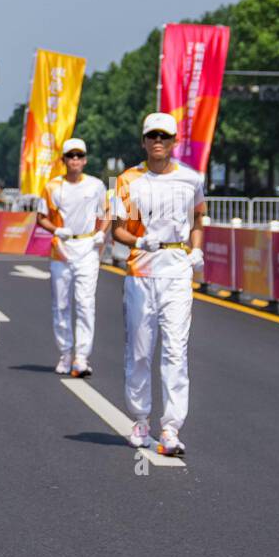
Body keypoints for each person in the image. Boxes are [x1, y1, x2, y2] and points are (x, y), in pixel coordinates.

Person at [111, 112, 205, 456]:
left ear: (174, 141)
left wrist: (196, 249)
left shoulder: (192, 179)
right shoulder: (125, 180)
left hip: (178, 273)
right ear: (144, 141)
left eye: (164, 136)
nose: (158, 142)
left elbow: (197, 218)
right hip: (141, 273)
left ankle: (171, 428)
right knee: (139, 351)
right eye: (152, 136)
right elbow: (116, 229)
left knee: (175, 351)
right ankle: (140, 420)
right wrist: (138, 243)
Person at [36, 138, 108, 377]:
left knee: (86, 304)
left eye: (79, 155)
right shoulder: (52, 187)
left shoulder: (97, 186)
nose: (75, 160)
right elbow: (40, 217)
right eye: (71, 156)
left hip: (87, 248)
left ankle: (81, 357)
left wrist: (101, 233)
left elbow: (108, 212)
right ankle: (65, 353)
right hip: (62, 249)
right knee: (61, 304)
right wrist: (56, 230)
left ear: (85, 159)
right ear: (63, 160)